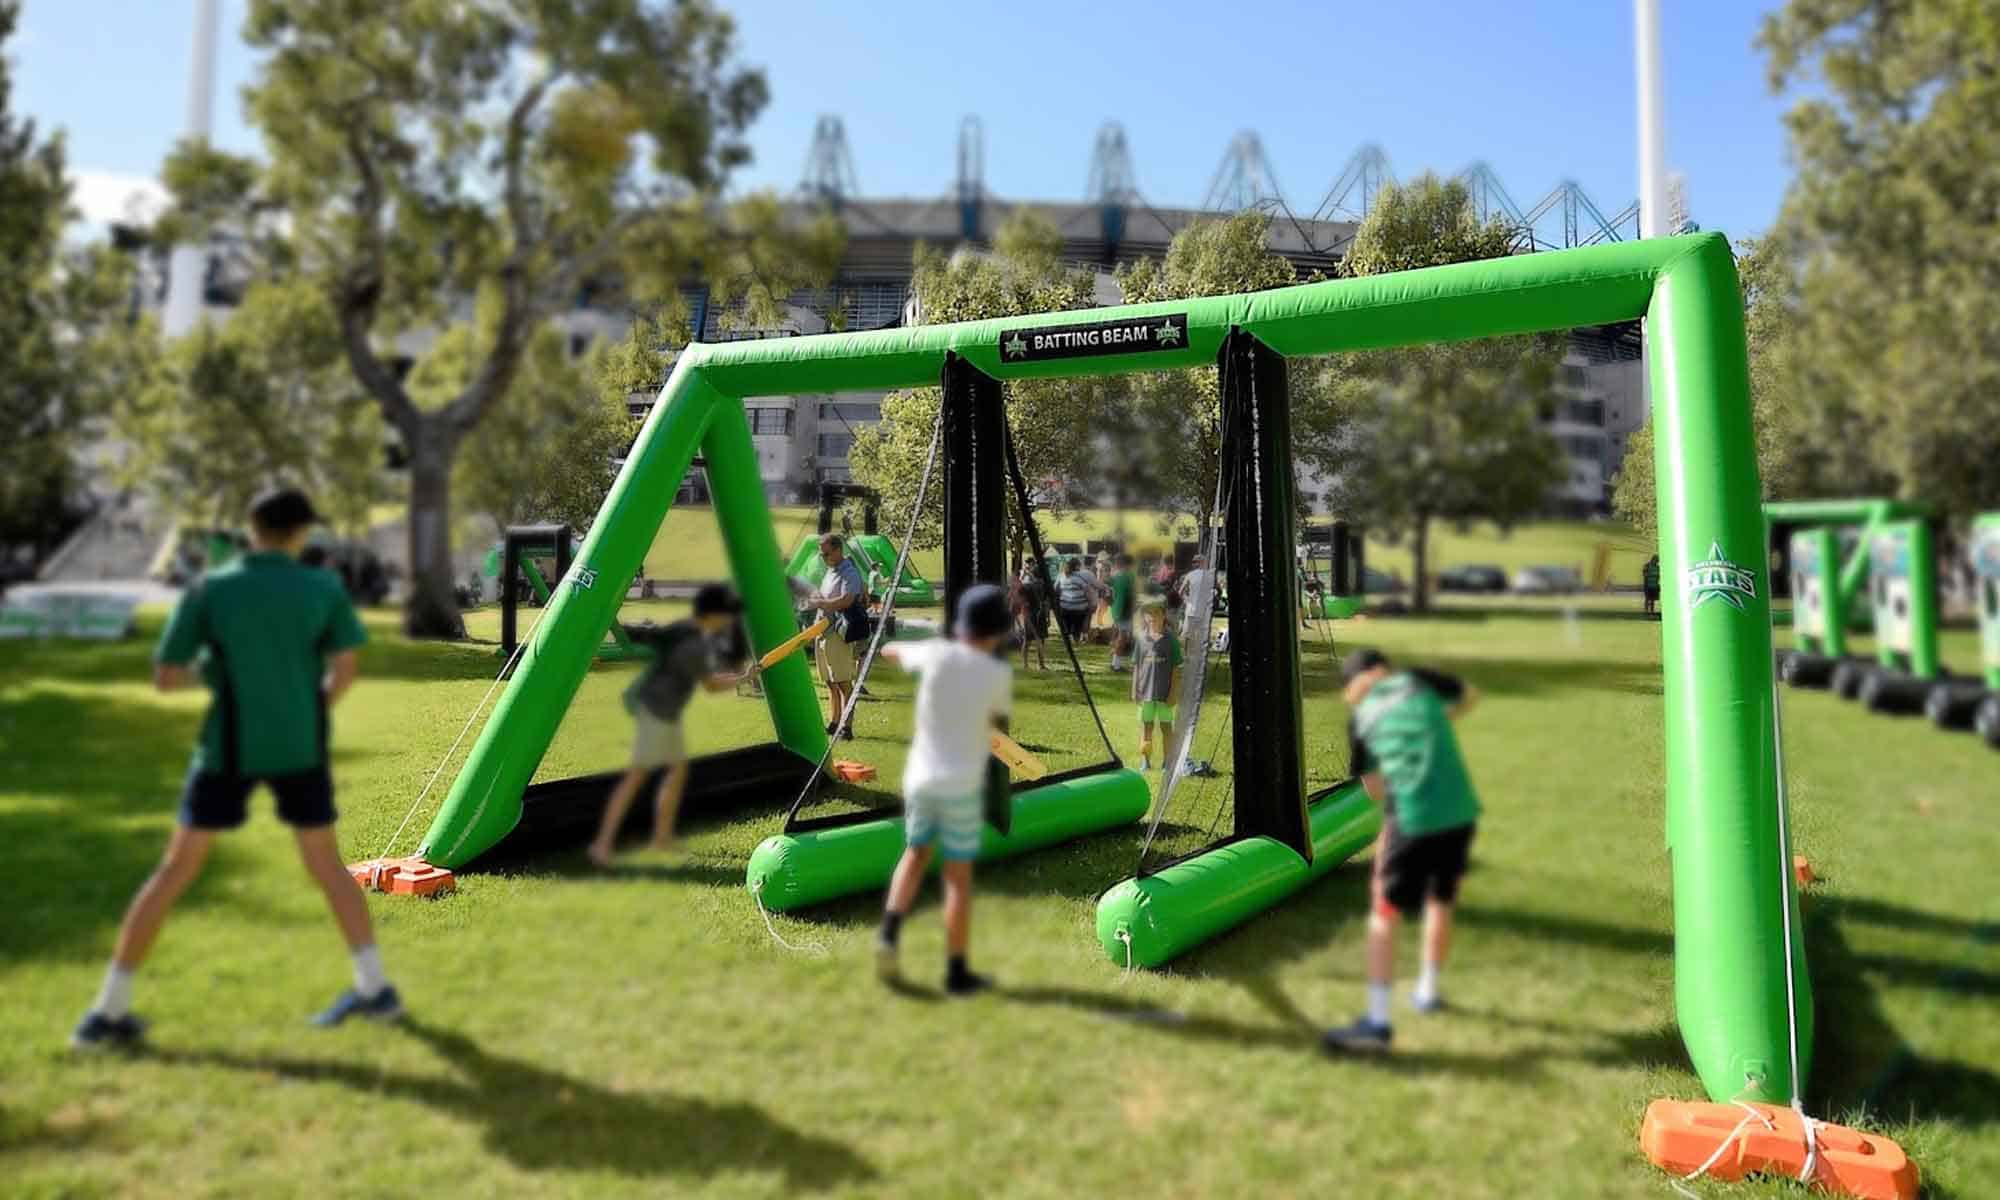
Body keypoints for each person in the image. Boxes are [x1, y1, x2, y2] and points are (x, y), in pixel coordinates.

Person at [72, 488, 393, 1050]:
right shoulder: (323, 587)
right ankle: (375, 990)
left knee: (174, 872)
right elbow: (344, 674)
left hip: (228, 750)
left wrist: (217, 675)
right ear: (300, 534)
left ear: (252, 528)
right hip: (301, 748)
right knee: (327, 867)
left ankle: (107, 1012)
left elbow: (167, 678)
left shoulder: (213, 589)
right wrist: (300, 703)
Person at [1323, 648, 1482, 1054]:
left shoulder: (1362, 719)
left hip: (1413, 818)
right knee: (1440, 900)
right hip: (1460, 812)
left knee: (1383, 913)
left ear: (1360, 681)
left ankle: (1376, 1024)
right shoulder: (1422, 682)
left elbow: (1375, 788)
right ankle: (1428, 989)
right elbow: (1468, 696)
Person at [873, 583, 1014, 996]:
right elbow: (991, 722)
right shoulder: (997, 674)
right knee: (957, 879)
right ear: (995, 632)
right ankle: (956, 972)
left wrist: (901, 650)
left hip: (920, 779)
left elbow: (889, 651)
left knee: (915, 855)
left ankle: (888, 936)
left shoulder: (933, 653)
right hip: (960, 786)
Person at [588, 584, 755, 866]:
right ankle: (603, 845)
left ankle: (661, 839)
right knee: (637, 776)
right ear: (714, 614)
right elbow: (712, 685)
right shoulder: (696, 644)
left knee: (676, 770)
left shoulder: (687, 629)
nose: (728, 620)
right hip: (658, 711)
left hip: (661, 710)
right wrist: (743, 678)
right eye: (725, 614)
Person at [811, 534, 869, 740]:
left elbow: (846, 600)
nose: (824, 557)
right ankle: (834, 722)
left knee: (843, 683)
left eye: (826, 554)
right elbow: (826, 598)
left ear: (838, 550)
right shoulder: (830, 571)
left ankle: (847, 728)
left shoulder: (849, 572)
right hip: (822, 631)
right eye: (821, 555)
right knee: (830, 682)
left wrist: (822, 604)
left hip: (837, 633)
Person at [1131, 599, 1183, 770]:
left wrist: (1173, 693)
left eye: (1156, 614)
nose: (1152, 617)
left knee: (1167, 727)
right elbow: (1137, 666)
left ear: (1163, 615)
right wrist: (1134, 690)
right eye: (1149, 614)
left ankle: (1168, 762)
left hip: (1164, 693)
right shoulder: (1141, 639)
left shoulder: (1171, 640)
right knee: (1147, 727)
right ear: (1145, 617)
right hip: (1145, 694)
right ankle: (1145, 761)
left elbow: (1176, 670)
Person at [1010, 563, 1049, 671]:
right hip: (1039, 614)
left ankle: (1025, 664)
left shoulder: (1028, 585)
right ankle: (1041, 665)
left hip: (1030, 613)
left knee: (1027, 641)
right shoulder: (1046, 585)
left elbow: (1018, 593)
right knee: (1040, 640)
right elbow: (1047, 601)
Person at [1056, 556, 1100, 647]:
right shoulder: (1080, 577)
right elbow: (1087, 591)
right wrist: (1091, 603)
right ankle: (1076, 642)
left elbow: (1056, 589)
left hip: (1064, 607)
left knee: (1066, 628)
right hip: (1079, 609)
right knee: (1077, 629)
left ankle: (1067, 645)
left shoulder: (1061, 576)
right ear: (1077, 567)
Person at [1106, 553, 1138, 672]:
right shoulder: (1129, 576)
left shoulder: (1115, 576)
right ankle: (1116, 666)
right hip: (1125, 610)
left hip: (1117, 609)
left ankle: (1115, 662)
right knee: (1122, 638)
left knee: (1120, 636)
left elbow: (1107, 589)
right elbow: (1132, 595)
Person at [1177, 554, 1217, 637]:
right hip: (1204, 611)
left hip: (1192, 609)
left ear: (1201, 562)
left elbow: (1180, 592)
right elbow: (1217, 591)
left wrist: (1186, 600)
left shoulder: (1190, 575)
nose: (1193, 564)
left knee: (1188, 635)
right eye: (1193, 562)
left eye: (1195, 562)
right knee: (1200, 636)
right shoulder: (1210, 576)